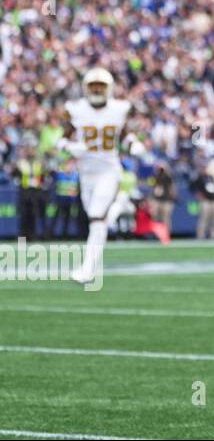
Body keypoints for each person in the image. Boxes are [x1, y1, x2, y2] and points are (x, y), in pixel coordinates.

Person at [60, 68, 135, 284]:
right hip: (86, 172)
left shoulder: (119, 109)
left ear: (109, 88)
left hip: (109, 170)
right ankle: (117, 208)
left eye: (100, 86)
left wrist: (134, 144)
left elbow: (125, 135)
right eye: (93, 86)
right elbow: (60, 140)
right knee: (97, 219)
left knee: (95, 215)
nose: (96, 90)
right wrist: (70, 146)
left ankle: (88, 269)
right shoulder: (76, 109)